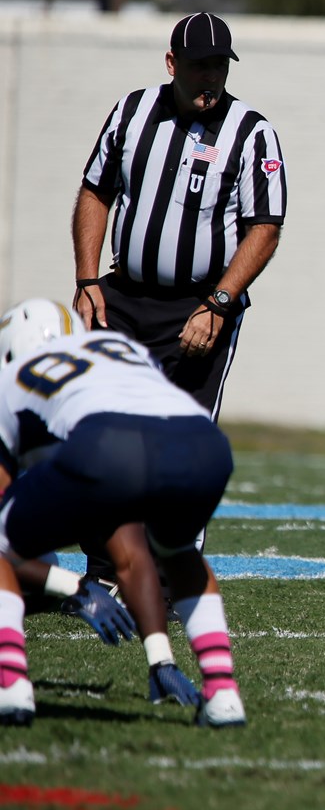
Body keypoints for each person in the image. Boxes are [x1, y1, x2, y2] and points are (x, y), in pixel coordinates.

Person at [70, 12, 287, 588]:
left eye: (219, 65)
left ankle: (169, 577)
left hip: (198, 308)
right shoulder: (132, 111)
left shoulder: (251, 132)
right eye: (198, 65)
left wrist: (219, 302)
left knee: (180, 444)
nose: (209, 76)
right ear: (172, 63)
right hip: (121, 299)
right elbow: (95, 191)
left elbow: (265, 227)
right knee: (102, 431)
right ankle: (103, 571)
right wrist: (87, 279)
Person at [0, 299, 246, 727]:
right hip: (203, 443)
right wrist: (159, 658)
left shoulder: (13, 378)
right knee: (176, 549)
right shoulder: (119, 349)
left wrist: (71, 586)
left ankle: (11, 683)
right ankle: (223, 694)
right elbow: (131, 553)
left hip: (106, 443)